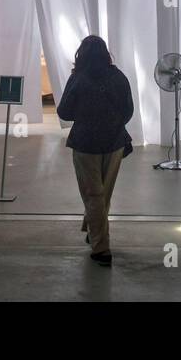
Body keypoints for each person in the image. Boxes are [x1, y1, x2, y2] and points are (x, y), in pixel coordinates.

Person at [56, 35, 134, 267]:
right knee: (103, 194)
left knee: (93, 195)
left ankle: (101, 249)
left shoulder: (78, 78)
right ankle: (93, 229)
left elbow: (64, 112)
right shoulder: (119, 77)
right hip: (114, 143)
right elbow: (128, 111)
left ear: (82, 54)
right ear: (105, 53)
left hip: (86, 144)